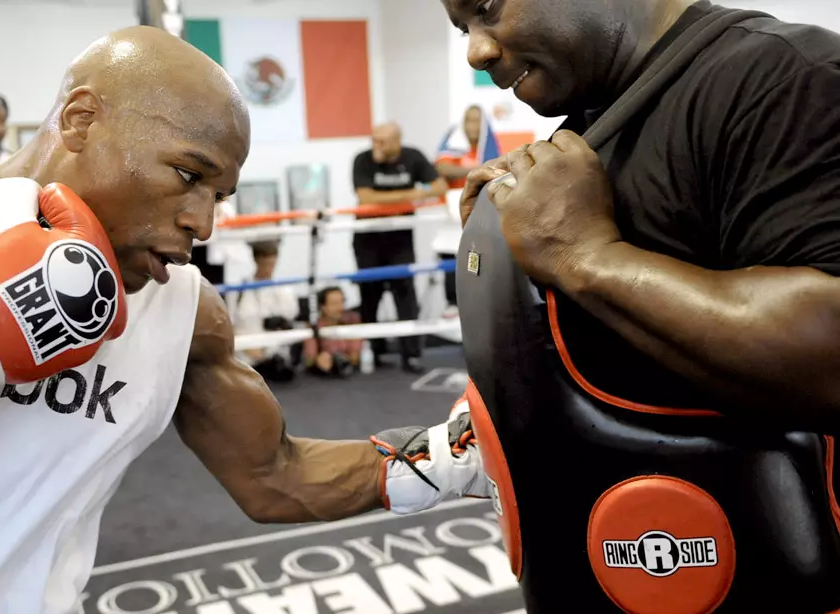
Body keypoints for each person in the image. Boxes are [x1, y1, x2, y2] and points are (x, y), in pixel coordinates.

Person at [0, 27, 488, 614]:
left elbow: (275, 476)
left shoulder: (186, 310)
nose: (202, 223)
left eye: (218, 196)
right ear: (81, 117)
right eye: (187, 175)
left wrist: (455, 458)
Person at [445, 0, 840, 610]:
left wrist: (585, 258)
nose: (476, 50)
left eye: (486, 9)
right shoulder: (591, 129)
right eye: (463, 28)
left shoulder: (779, 77)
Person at [352, 122, 448, 374]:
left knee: (405, 294)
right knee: (370, 295)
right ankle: (378, 352)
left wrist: (416, 191)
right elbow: (366, 197)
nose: (377, 146)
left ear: (397, 140)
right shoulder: (363, 160)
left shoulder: (413, 157)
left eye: (382, 141)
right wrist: (411, 194)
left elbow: (439, 186)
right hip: (368, 239)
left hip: (400, 240)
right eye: (374, 140)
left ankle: (411, 355)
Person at [433, 105, 502, 312]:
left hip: (479, 213)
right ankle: (452, 303)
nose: (472, 125)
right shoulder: (454, 145)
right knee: (450, 256)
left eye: (476, 120)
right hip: (451, 217)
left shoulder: (488, 148)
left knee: (477, 258)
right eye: (468, 120)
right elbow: (444, 168)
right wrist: (477, 170)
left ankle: (477, 302)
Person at [232, 240, 299, 383]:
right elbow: (229, 324)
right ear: (256, 260)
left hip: (275, 352)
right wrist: (248, 349)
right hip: (246, 353)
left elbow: (289, 322)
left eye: (272, 263)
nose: (269, 268)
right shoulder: (239, 290)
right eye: (266, 263)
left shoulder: (284, 289)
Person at [302, 287, 363, 378]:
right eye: (334, 304)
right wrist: (320, 359)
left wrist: (338, 358)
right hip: (320, 379)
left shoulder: (352, 320)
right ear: (323, 307)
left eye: (342, 302)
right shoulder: (314, 326)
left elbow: (355, 356)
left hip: (352, 375)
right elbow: (309, 360)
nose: (340, 307)